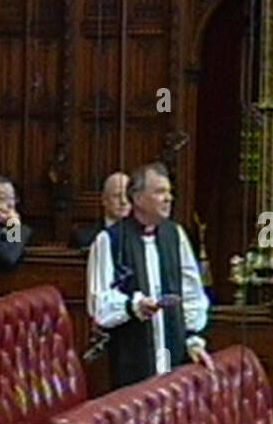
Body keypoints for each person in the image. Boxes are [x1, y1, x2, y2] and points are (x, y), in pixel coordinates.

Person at [87, 161, 212, 389]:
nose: (168, 198)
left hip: (172, 353)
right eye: (159, 192)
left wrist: (193, 339)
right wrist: (133, 306)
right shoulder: (110, 240)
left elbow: (192, 291)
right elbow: (99, 304)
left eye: (169, 192)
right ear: (137, 197)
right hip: (132, 358)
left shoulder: (175, 235)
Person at [70, 171, 131, 251]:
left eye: (127, 195)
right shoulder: (83, 238)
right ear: (104, 200)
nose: (123, 201)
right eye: (117, 196)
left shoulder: (142, 236)